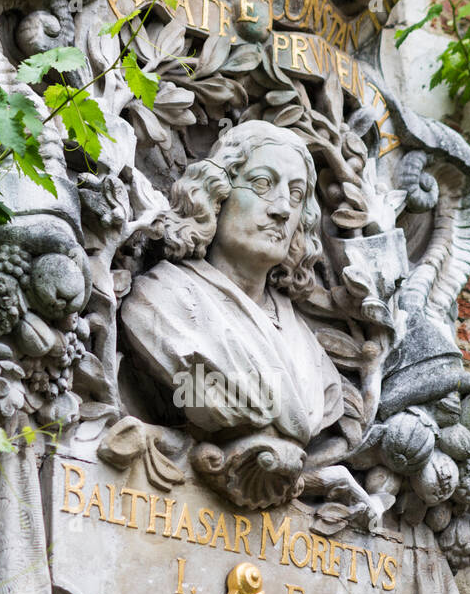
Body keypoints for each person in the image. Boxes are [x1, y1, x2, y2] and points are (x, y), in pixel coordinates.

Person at [120, 120, 343, 450]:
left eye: (295, 195)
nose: (282, 208)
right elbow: (196, 392)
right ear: (216, 194)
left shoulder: (312, 356)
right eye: (263, 183)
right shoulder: (159, 303)